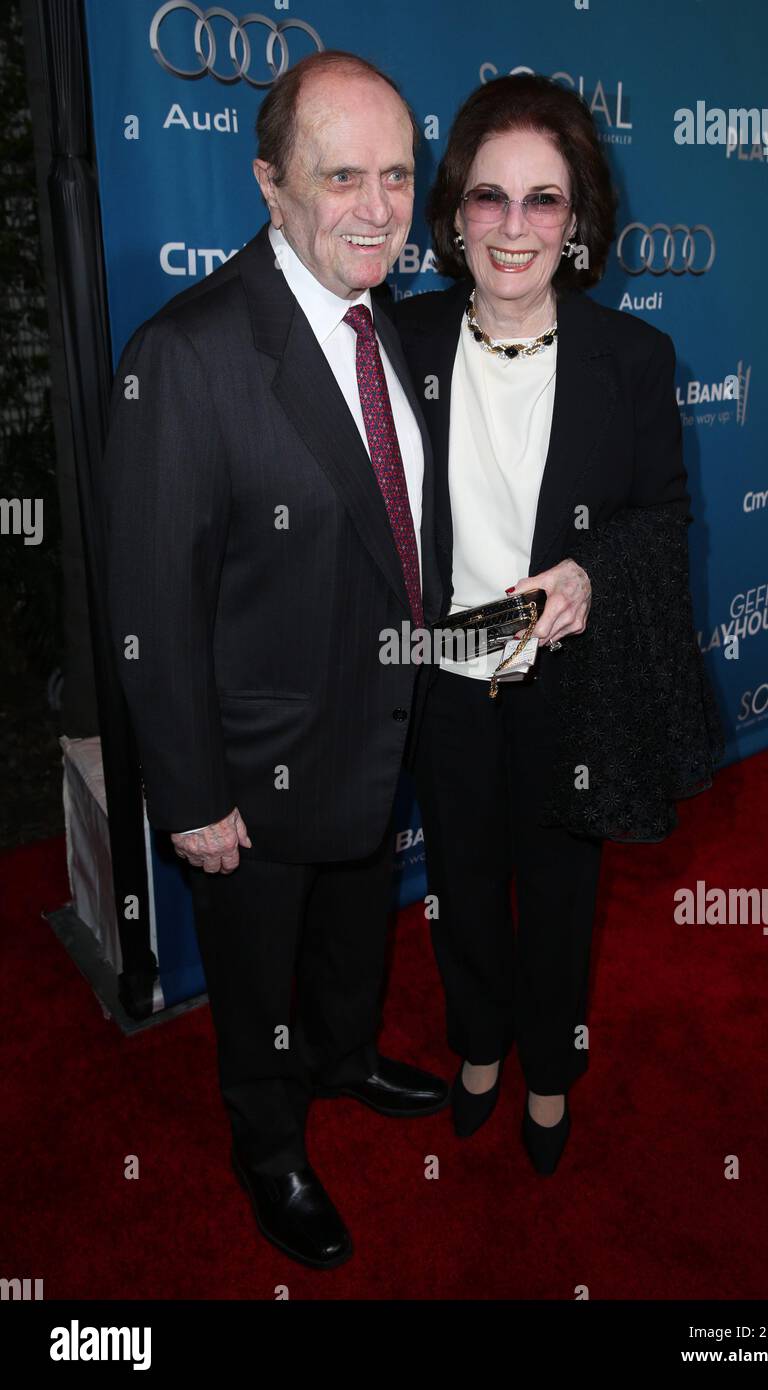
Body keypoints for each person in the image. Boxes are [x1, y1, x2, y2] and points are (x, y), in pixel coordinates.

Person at [97, 51, 448, 1270]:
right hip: (250, 770)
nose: (377, 205)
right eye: (340, 173)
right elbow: (149, 596)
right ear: (267, 184)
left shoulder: (386, 327)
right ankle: (270, 1148)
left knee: (357, 934)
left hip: (373, 730)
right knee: (257, 984)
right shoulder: (185, 354)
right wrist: (189, 794)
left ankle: (344, 1057)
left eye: (397, 173)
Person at [393, 74, 724, 1176]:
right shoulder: (399, 341)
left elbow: (661, 517)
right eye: (489, 198)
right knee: (463, 880)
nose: (515, 226)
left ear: (577, 221)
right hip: (444, 669)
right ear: (452, 216)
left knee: (561, 890)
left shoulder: (629, 359)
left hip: (568, 676)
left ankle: (547, 1068)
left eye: (543, 200)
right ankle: (477, 1049)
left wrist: (589, 569)